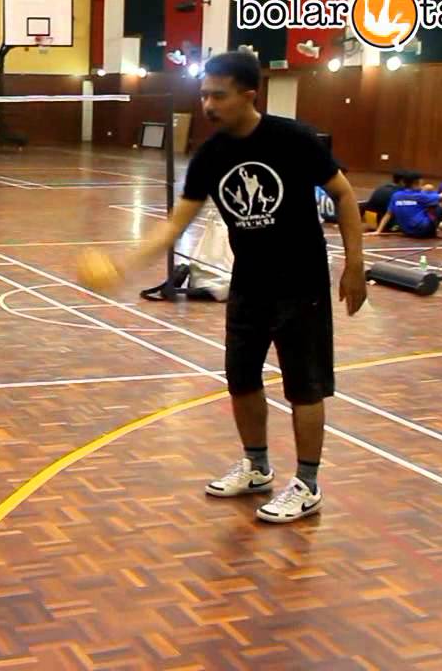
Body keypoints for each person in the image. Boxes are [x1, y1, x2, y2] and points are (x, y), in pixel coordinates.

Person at [77, 51, 368, 523]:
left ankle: (308, 483)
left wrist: (355, 264)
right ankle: (257, 467)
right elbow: (175, 225)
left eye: (218, 95)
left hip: (302, 284)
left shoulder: (292, 139)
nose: (208, 105)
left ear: (249, 94)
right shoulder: (212, 155)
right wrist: (123, 265)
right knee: (241, 379)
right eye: (204, 95)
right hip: (249, 284)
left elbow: (344, 193)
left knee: (306, 387)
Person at [371, 184, 442, 238]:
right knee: (439, 204)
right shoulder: (420, 196)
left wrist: (378, 231)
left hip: (406, 231)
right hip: (424, 231)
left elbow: (388, 214)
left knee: (426, 207)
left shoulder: (396, 195)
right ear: (415, 184)